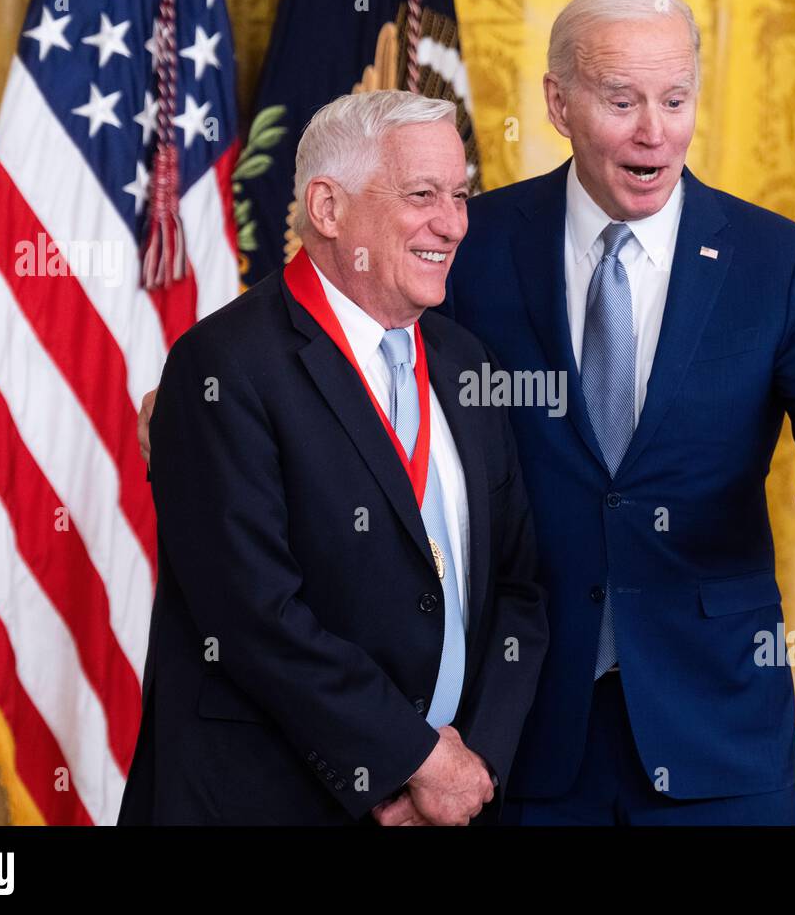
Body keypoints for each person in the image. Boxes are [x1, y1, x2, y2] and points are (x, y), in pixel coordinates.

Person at [138, 0, 795, 826]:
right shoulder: (470, 245)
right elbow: (340, 379)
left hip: (715, 734)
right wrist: (200, 414)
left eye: (676, 98)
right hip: (526, 740)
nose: (655, 128)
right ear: (559, 102)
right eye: (621, 99)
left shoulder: (776, 259)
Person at [117, 90, 548, 826]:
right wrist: (411, 760)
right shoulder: (223, 365)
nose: (451, 224)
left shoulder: (465, 360)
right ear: (327, 209)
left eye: (459, 196)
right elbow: (255, 615)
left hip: (448, 804)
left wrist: (471, 764)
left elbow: (520, 589)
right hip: (266, 803)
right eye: (422, 195)